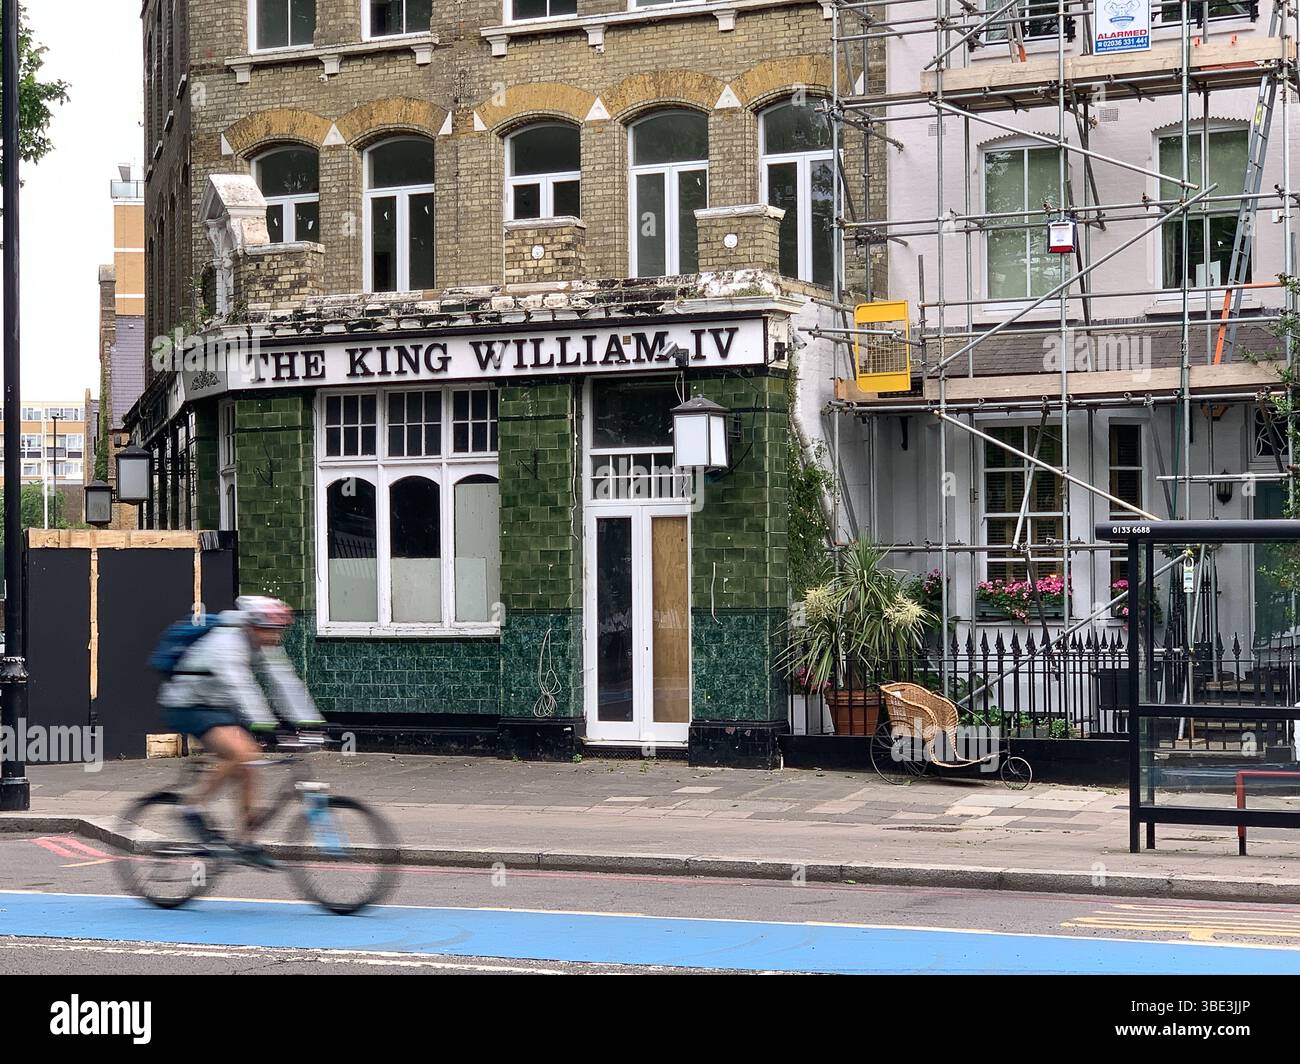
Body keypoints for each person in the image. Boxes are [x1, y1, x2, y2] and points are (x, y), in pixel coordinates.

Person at [158, 595, 326, 867]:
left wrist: (312, 722)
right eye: (270, 631)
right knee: (242, 752)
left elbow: (285, 681)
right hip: (186, 704)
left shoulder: (263, 642)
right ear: (251, 625)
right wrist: (267, 725)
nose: (275, 638)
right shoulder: (226, 643)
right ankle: (191, 807)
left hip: (217, 704)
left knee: (250, 761)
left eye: (279, 631)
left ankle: (246, 841)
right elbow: (242, 686)